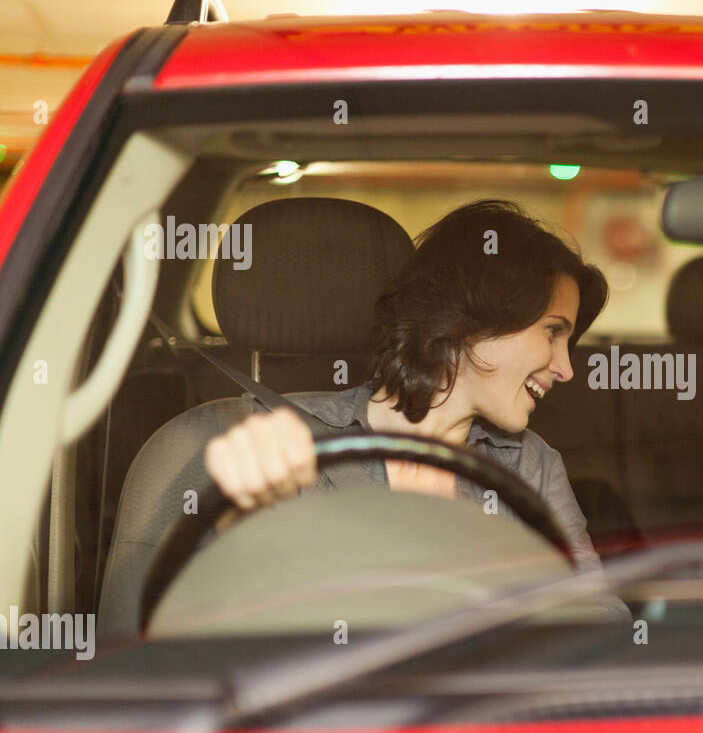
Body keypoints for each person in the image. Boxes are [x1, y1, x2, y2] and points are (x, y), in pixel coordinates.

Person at [203, 198, 608, 571]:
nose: (565, 369)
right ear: (473, 322)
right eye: (553, 333)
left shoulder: (531, 466)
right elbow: (237, 625)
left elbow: (594, 619)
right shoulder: (282, 446)